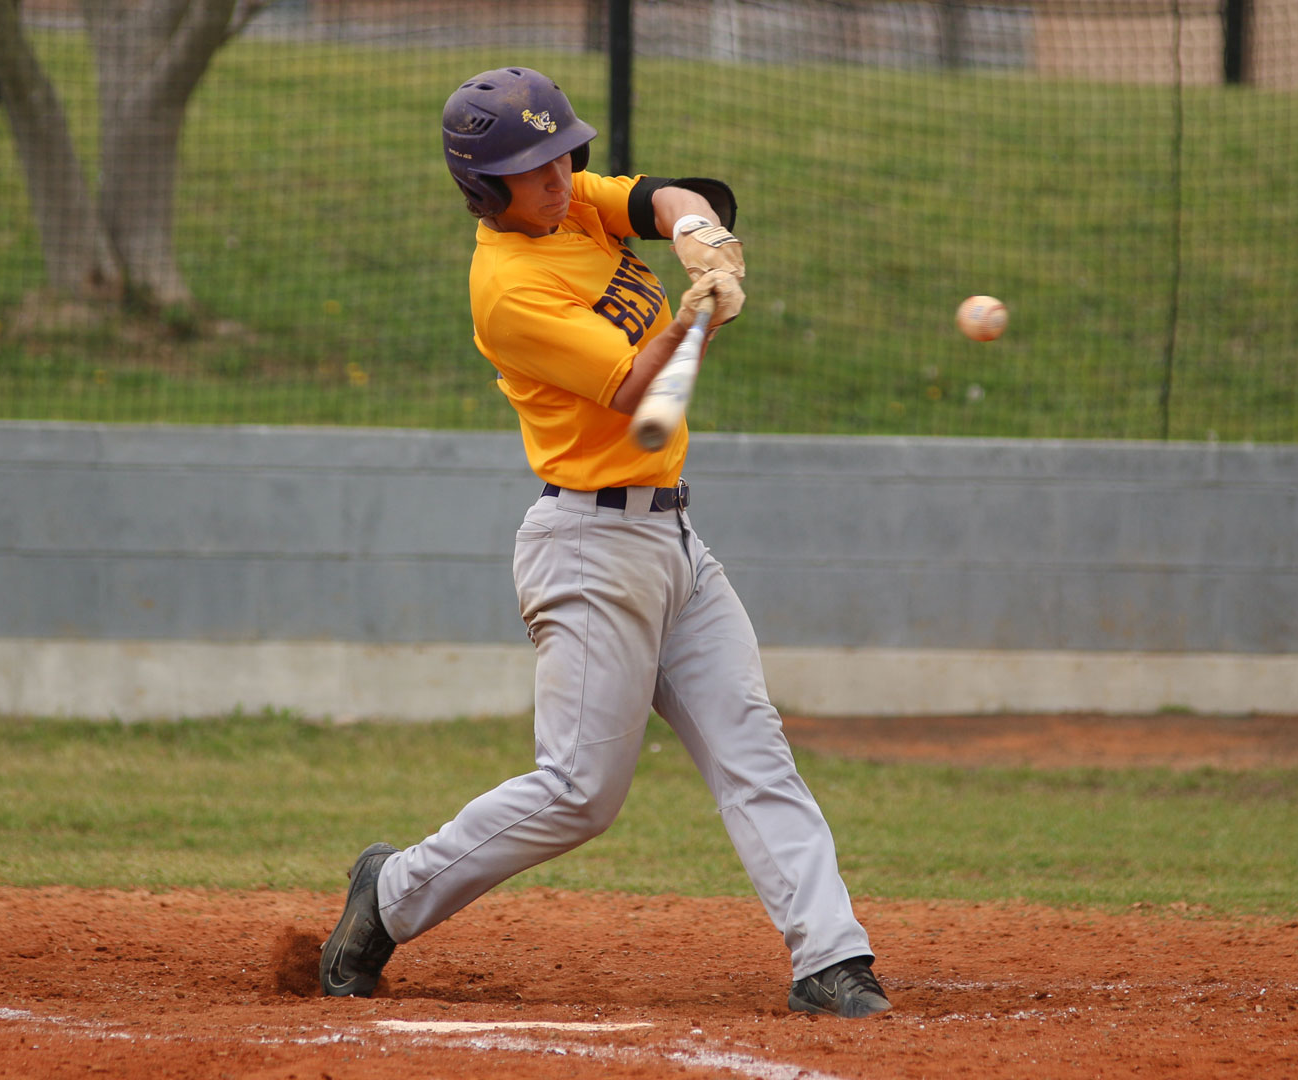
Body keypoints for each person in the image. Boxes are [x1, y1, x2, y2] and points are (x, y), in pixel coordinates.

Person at [319, 67, 890, 1018]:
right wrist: (698, 313)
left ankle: (831, 959)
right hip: (588, 548)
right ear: (484, 187)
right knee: (580, 793)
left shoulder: (570, 204)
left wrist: (697, 232)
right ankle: (391, 892)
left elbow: (661, 196)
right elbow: (634, 388)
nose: (558, 178)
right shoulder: (508, 288)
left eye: (561, 155)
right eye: (532, 168)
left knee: (754, 748)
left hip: (673, 538)